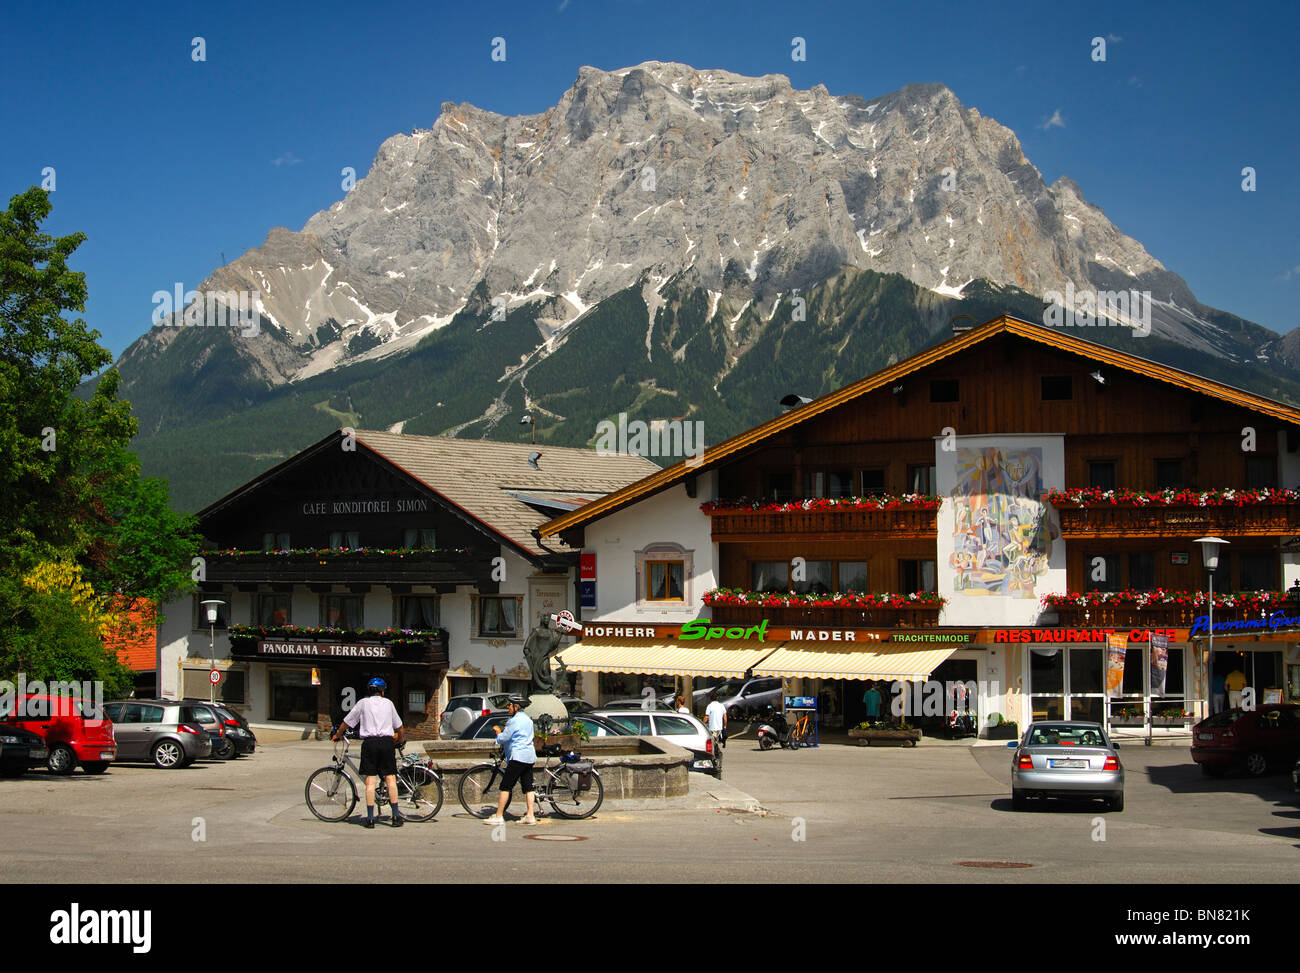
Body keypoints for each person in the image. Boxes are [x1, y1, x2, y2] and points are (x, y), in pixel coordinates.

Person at [332, 676, 404, 828]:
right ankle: (396, 817)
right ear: (382, 692)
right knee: (391, 779)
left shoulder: (363, 703)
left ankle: (370, 819)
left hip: (370, 744)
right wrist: (399, 740)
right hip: (386, 743)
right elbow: (400, 726)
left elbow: (347, 721)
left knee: (370, 782)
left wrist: (338, 734)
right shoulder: (389, 703)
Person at [489, 694, 537, 826]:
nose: (507, 707)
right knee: (528, 786)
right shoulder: (528, 720)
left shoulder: (514, 721)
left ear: (516, 707)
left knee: (506, 786)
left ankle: (498, 816)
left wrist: (498, 732)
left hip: (518, 756)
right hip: (529, 756)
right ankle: (530, 815)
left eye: (510, 705)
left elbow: (505, 738)